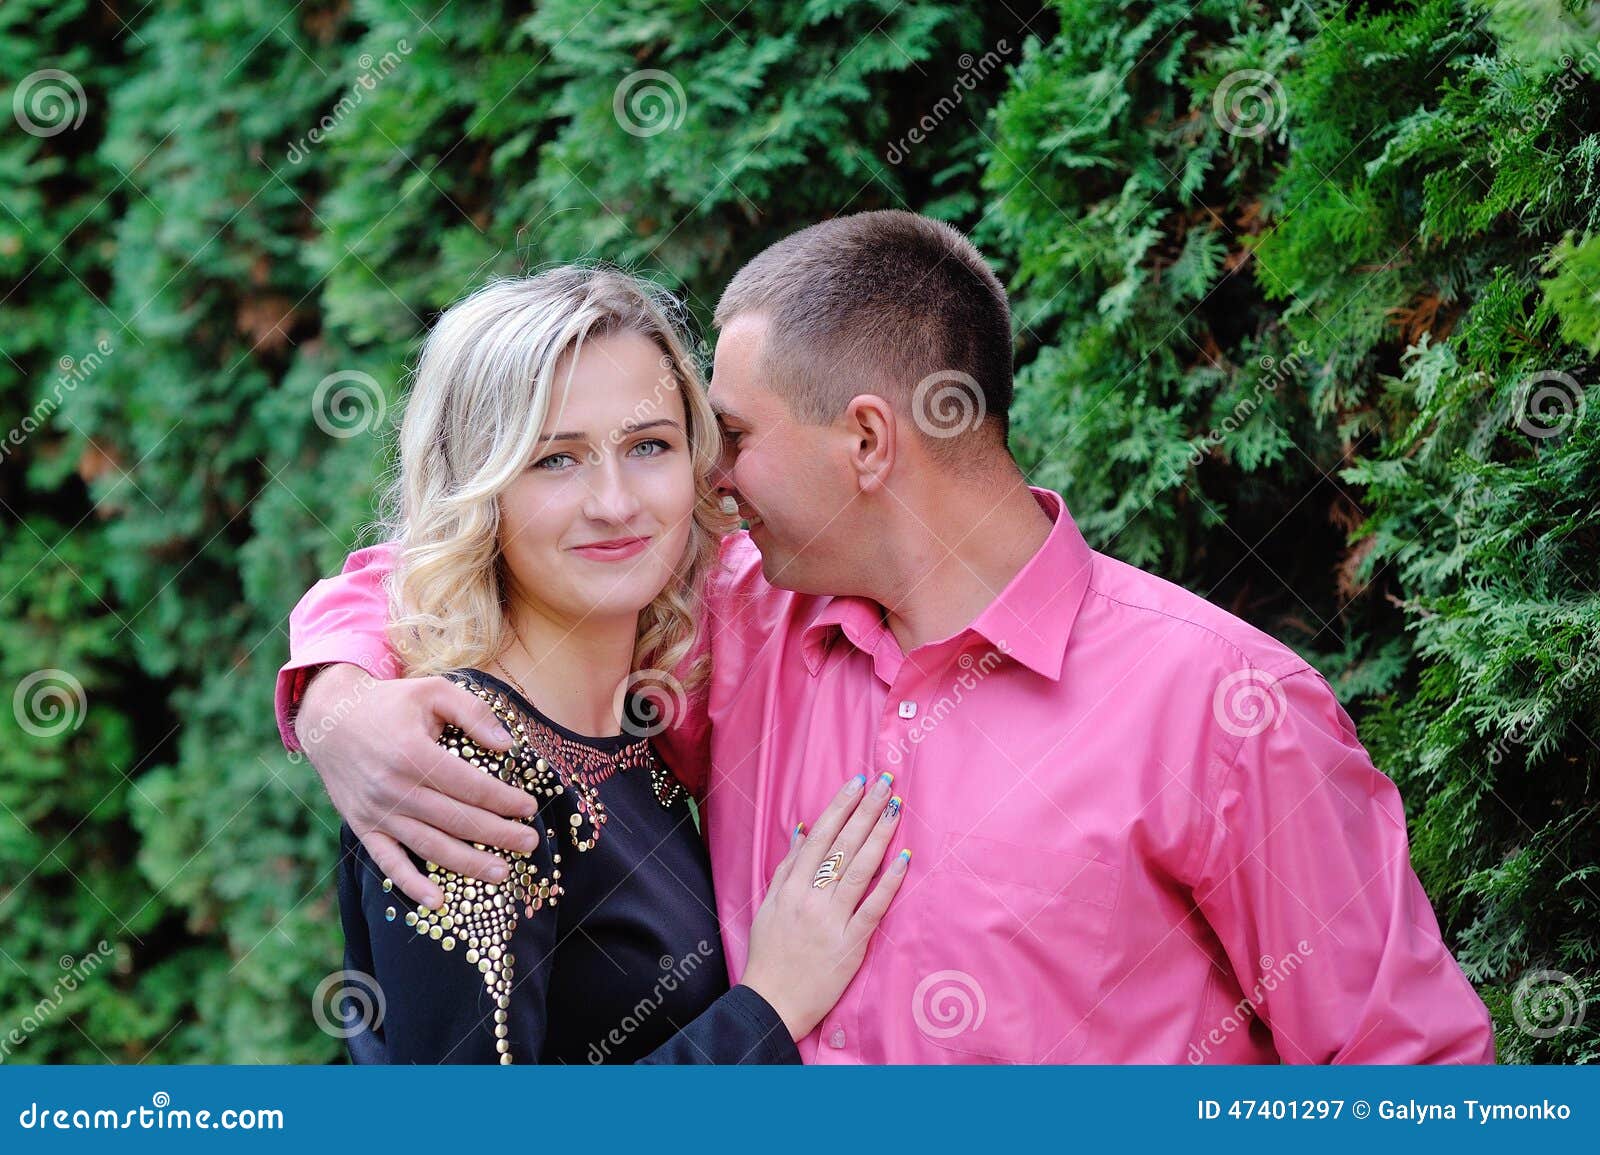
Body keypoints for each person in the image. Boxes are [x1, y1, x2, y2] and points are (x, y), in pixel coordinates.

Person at [280, 211, 1497, 1064]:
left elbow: (1412, 1077)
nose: (699, 483)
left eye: (725, 437)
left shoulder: (1221, 706)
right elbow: (487, 552)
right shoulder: (738, 628)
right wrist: (339, 704)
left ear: (867, 441)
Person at [321, 267, 908, 1064]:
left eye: (648, 446)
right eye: (555, 460)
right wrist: (768, 1006)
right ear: (478, 491)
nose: (616, 501)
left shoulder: (635, 734)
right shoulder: (464, 766)